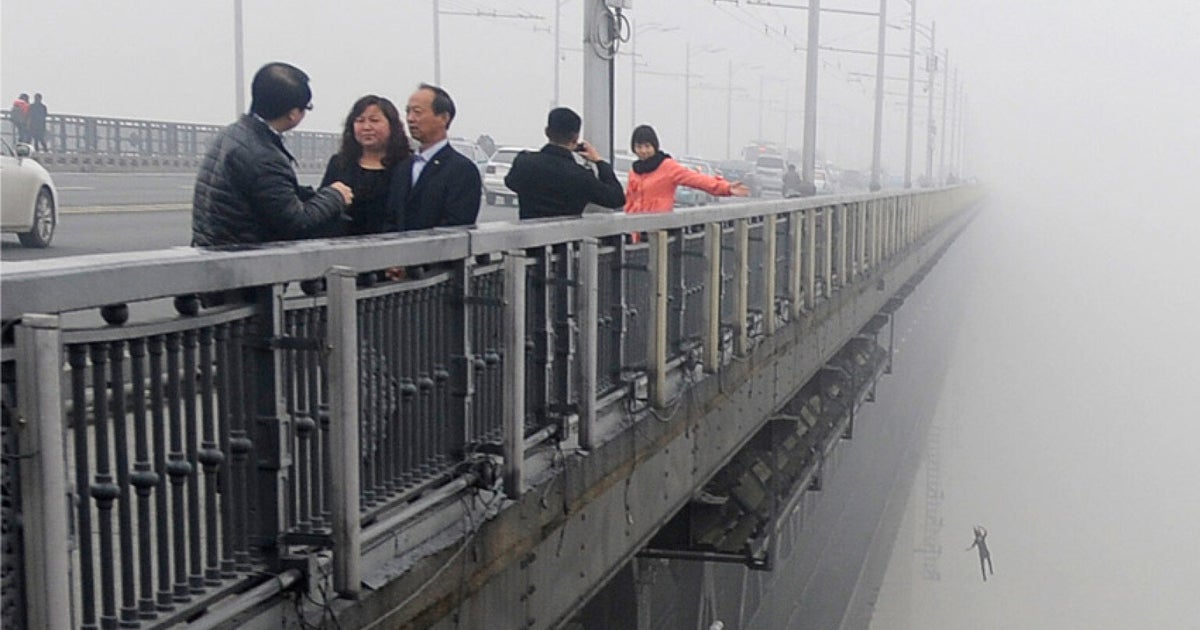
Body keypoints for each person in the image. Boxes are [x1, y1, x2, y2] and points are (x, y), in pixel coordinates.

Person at [192, 62, 353, 246]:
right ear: (293, 113)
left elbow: (269, 195)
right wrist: (335, 196)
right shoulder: (264, 157)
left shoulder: (232, 134)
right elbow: (297, 223)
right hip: (240, 262)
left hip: (213, 250)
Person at [385, 83, 480, 232]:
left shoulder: (462, 170)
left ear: (444, 118)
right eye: (408, 112)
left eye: (417, 112)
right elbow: (390, 218)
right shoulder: (403, 167)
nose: (410, 119)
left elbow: (457, 226)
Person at [504, 107, 626, 219]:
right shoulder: (581, 175)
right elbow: (616, 199)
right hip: (565, 240)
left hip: (529, 240)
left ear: (547, 132)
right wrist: (599, 162)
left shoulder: (524, 163)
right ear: (575, 138)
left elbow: (510, 182)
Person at [319, 95, 411, 236]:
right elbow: (323, 207)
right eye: (360, 121)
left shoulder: (406, 166)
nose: (366, 127)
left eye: (374, 121)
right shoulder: (339, 163)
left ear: (392, 126)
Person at [624, 124, 748, 214]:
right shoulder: (634, 171)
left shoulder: (667, 167)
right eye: (639, 146)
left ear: (655, 146)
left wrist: (726, 187)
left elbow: (696, 179)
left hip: (659, 230)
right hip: (635, 232)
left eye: (647, 146)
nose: (643, 151)